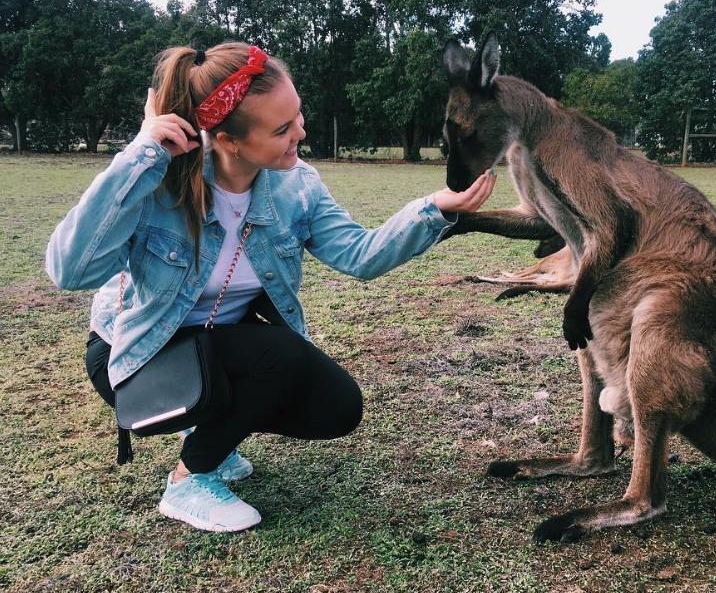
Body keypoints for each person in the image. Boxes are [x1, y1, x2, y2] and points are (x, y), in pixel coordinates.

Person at [45, 42, 495, 533]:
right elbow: (69, 271)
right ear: (228, 141)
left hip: (217, 351)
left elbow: (360, 256)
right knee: (279, 350)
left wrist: (437, 206)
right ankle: (188, 480)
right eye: (282, 129)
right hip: (134, 360)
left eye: (298, 116)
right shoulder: (160, 184)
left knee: (336, 407)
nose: (300, 133)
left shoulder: (296, 185)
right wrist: (141, 153)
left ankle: (210, 432)